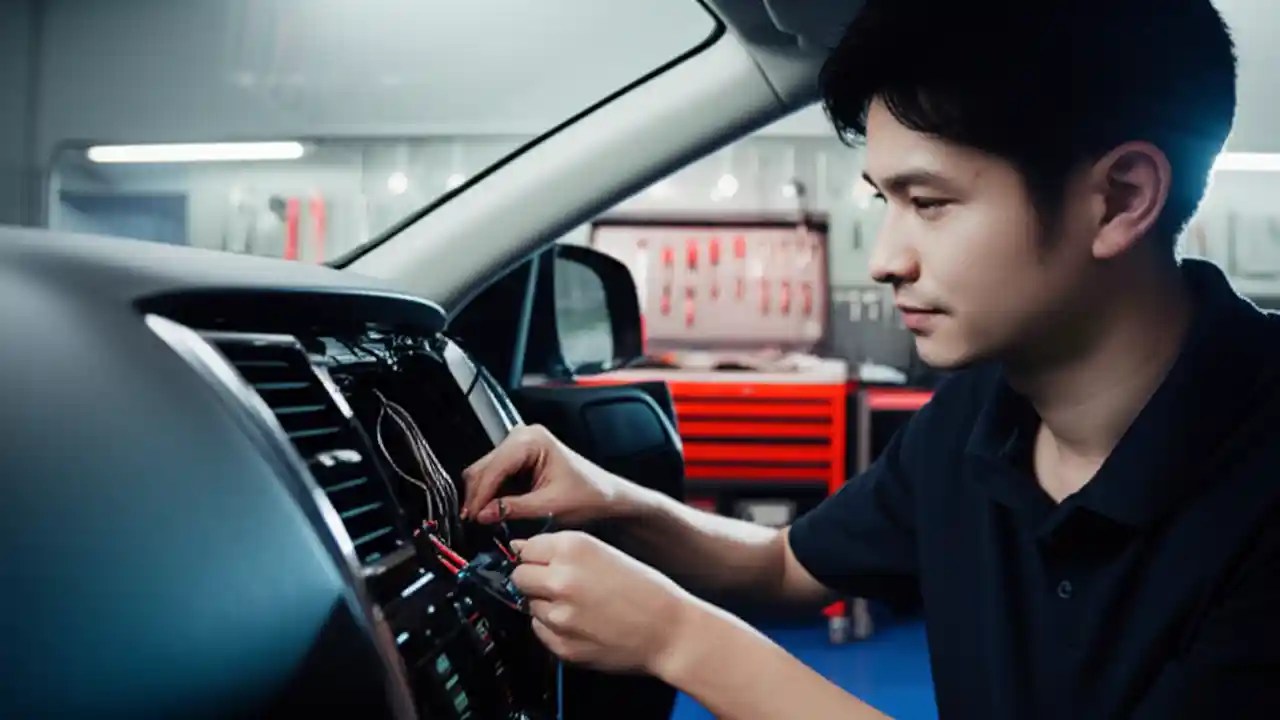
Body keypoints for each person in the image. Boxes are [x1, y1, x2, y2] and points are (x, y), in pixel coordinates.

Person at [463, 0, 1280, 717]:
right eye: (885, 200)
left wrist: (679, 639)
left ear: (1121, 198)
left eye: (930, 203)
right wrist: (613, 501)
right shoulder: (982, 410)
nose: (886, 259)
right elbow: (787, 566)